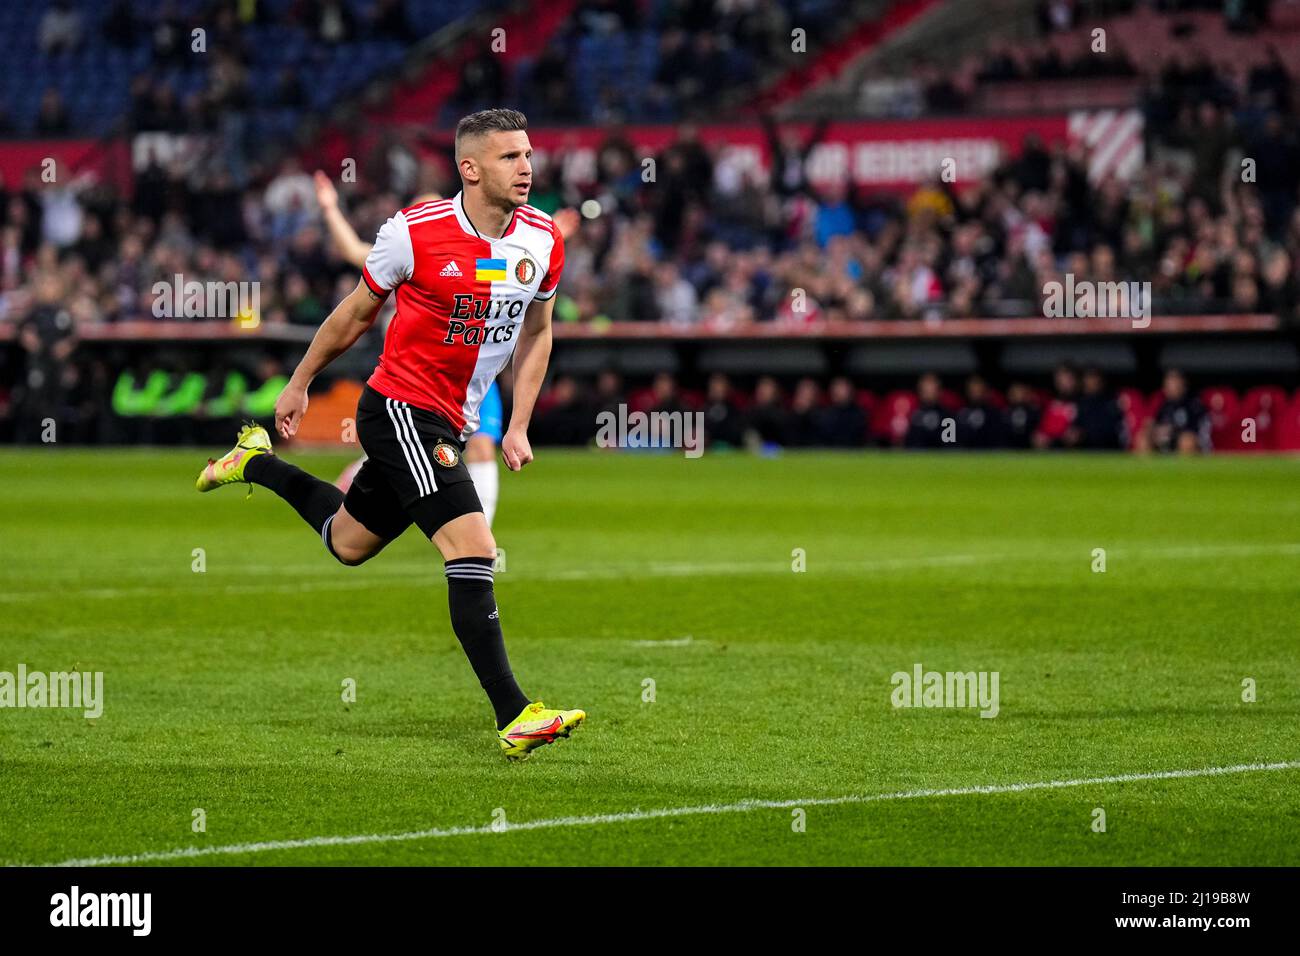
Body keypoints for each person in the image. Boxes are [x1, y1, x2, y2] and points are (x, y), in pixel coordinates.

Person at [196, 109, 584, 760]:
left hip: (455, 419)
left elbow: (538, 332)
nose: (527, 168)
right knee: (473, 544)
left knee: (347, 543)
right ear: (471, 168)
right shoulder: (414, 233)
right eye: (511, 157)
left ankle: (253, 463)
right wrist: (298, 383)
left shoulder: (543, 239)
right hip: (400, 406)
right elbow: (353, 314)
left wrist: (517, 424)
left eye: (527, 155)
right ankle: (515, 714)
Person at [314, 170, 578, 527]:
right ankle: (354, 489)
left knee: (483, 447)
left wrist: (549, 239)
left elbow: (511, 272)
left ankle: (477, 537)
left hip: (470, 375)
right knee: (389, 465)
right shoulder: (401, 249)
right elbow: (351, 253)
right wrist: (330, 208)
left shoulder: (470, 259)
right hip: (413, 378)